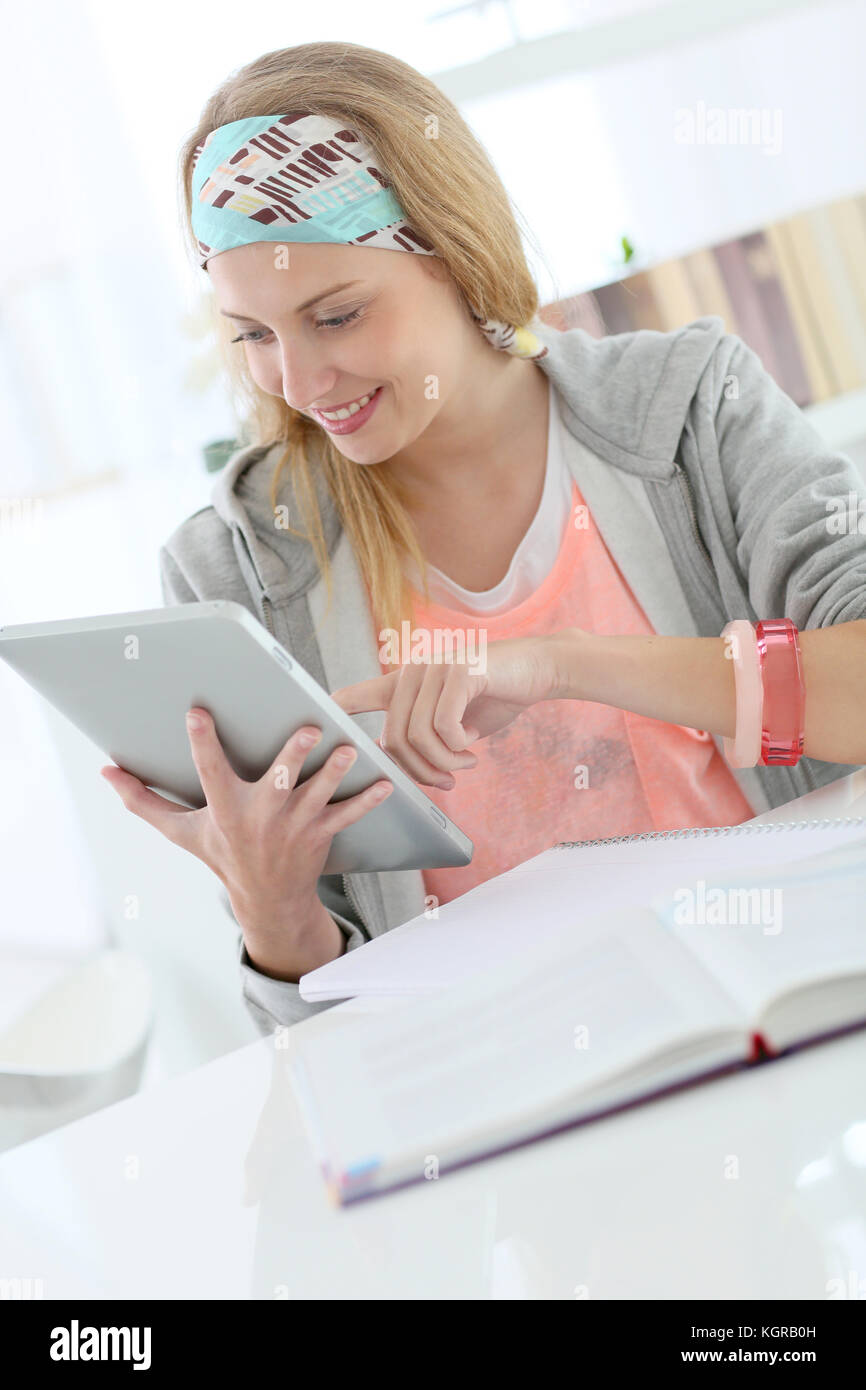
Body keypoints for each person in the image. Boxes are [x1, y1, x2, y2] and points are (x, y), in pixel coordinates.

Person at [102, 41, 866, 1034]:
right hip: (484, 1107)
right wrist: (270, 902)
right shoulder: (238, 566)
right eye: (250, 333)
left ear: (454, 255)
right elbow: (322, 1061)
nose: (294, 380)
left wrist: (560, 664)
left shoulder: (688, 408)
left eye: (335, 315)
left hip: (781, 1026)